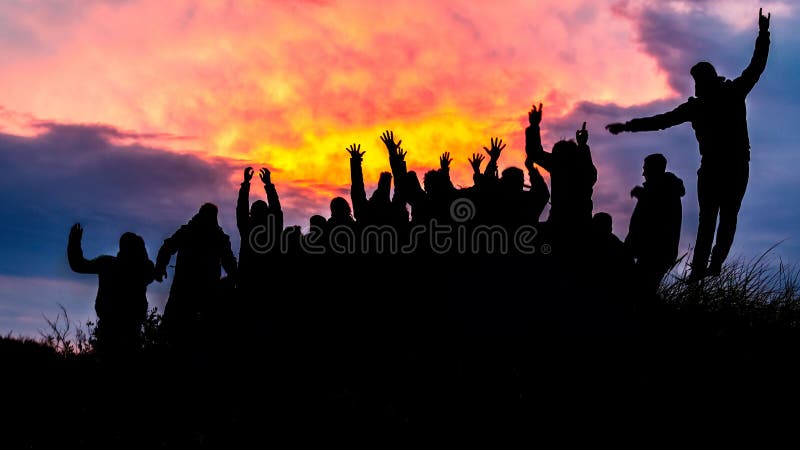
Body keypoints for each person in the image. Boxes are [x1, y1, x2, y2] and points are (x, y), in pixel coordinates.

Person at [606, 9, 771, 281]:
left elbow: (756, 67)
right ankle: (700, 273)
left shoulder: (729, 94)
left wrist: (763, 35)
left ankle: (711, 266)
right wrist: (628, 126)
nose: (695, 85)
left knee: (723, 219)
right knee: (711, 221)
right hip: (717, 169)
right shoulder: (702, 105)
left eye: (697, 80)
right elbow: (663, 120)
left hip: (733, 167)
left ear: (705, 80)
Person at [154, 203, 237, 345]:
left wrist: (160, 267)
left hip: (188, 289)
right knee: (196, 333)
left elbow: (167, 247)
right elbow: (229, 263)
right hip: (199, 290)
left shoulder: (189, 232)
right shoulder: (216, 237)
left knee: (174, 332)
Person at [67, 223, 154, 355]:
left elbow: (78, 265)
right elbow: (78, 265)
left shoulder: (109, 264)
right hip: (121, 330)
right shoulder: (142, 269)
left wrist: (74, 242)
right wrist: (74, 242)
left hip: (118, 330)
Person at [526, 104, 597, 231]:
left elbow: (535, 152)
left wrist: (534, 126)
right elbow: (535, 153)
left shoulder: (558, 165)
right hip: (579, 222)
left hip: (568, 223)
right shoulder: (584, 169)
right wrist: (582, 146)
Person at [625, 154, 686, 294]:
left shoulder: (666, 190)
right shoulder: (658, 190)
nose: (643, 173)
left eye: (645, 169)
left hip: (654, 255)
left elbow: (657, 216)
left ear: (654, 169)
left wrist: (643, 195)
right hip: (650, 254)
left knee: (641, 293)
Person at [236, 166, 283, 294]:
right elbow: (276, 209)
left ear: (251, 214)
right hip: (270, 280)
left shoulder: (246, 228)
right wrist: (268, 185)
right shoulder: (273, 228)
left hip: (247, 280)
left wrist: (246, 184)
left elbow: (241, 209)